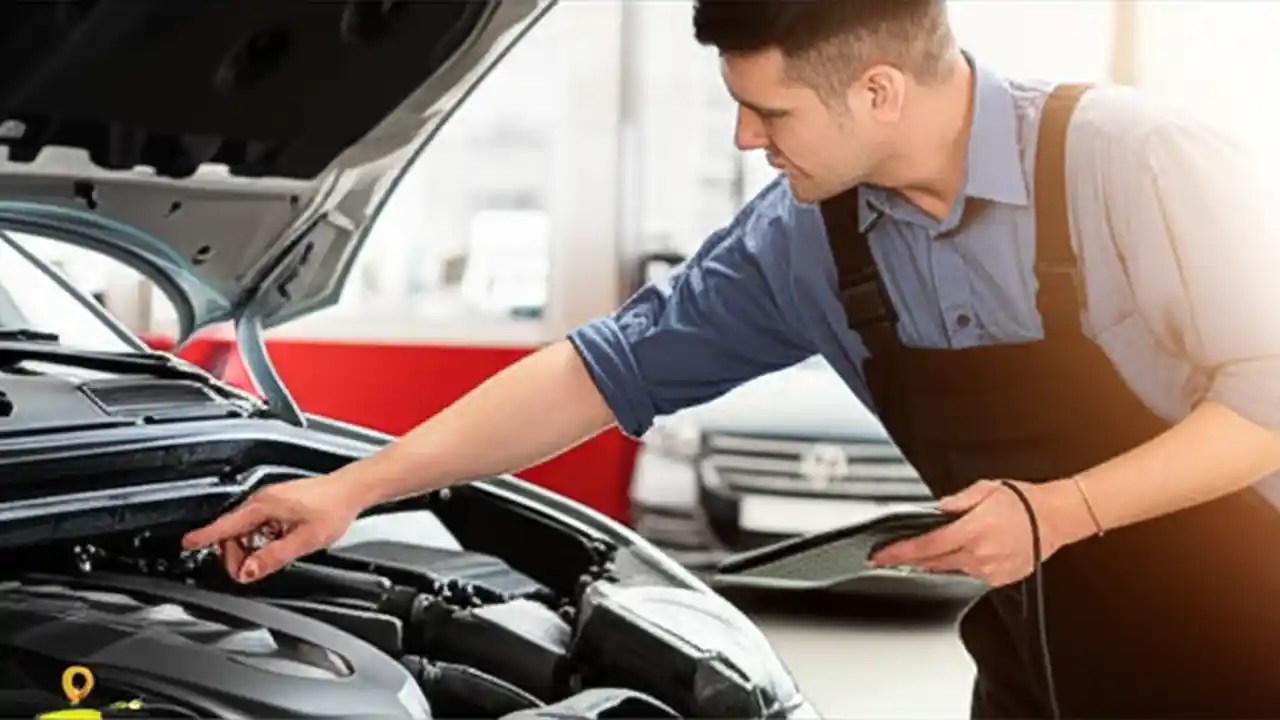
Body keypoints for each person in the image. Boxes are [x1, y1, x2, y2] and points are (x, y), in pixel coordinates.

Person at [183, 1, 1280, 716]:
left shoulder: (1132, 161)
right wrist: (353, 490)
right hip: (1041, 662)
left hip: (1248, 634)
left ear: (877, 92)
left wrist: (1056, 510)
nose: (745, 140)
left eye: (767, 109)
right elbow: (599, 369)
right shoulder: (807, 235)